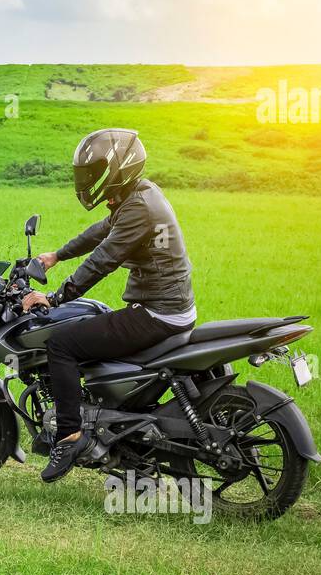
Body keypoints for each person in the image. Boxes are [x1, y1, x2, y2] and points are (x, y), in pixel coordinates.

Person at [20, 128, 196, 483]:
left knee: (62, 344)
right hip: (166, 308)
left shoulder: (140, 208)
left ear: (118, 166)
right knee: (93, 320)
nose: (89, 180)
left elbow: (103, 259)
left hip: (157, 314)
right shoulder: (138, 194)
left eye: (95, 171)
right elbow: (101, 232)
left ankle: (70, 437)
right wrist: (56, 255)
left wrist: (53, 299)